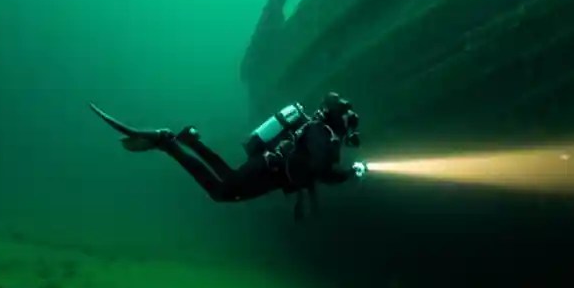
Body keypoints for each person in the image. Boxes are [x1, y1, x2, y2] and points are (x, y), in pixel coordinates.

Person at [90, 92, 368, 221]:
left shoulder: (321, 131)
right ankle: (168, 142)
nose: (350, 122)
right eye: (347, 117)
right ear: (336, 117)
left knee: (228, 178)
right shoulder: (322, 134)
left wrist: (344, 169)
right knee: (221, 192)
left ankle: (187, 142)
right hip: (267, 171)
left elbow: (316, 168)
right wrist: (350, 173)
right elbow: (322, 171)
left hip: (267, 168)